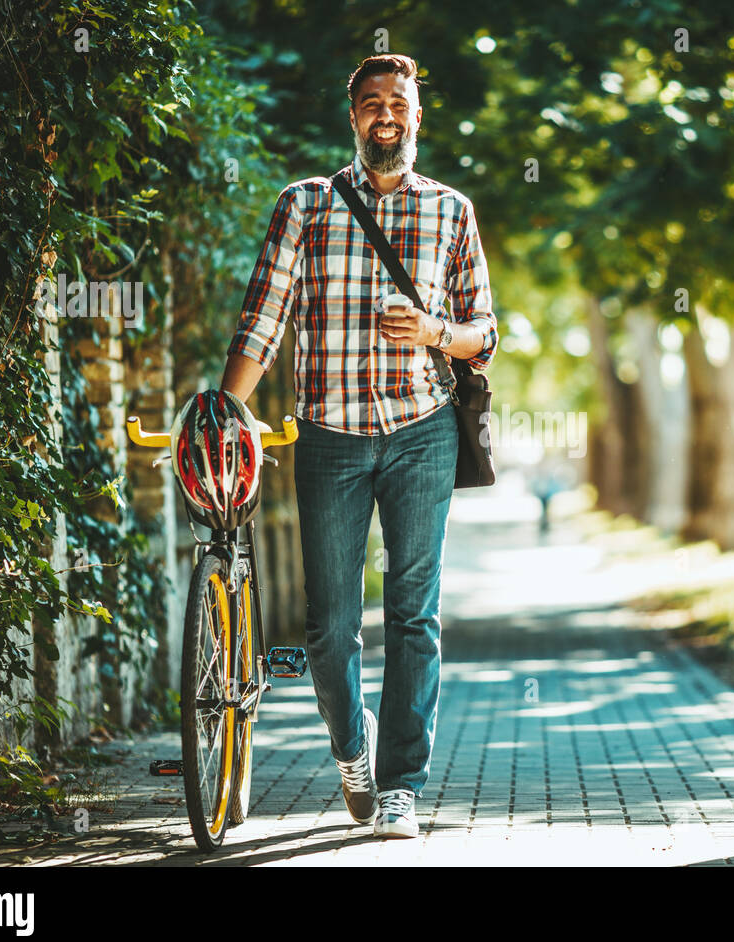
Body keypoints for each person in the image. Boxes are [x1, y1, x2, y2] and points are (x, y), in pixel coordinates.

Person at [219, 53, 498, 839]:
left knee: (415, 615)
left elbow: (487, 333)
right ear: (353, 117)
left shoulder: (451, 211)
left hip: (422, 431)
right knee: (330, 624)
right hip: (331, 435)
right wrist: (220, 413)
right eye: (371, 102)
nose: (386, 115)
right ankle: (353, 751)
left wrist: (438, 330)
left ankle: (402, 783)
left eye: (398, 103)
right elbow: (263, 322)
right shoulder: (303, 205)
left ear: (418, 116)